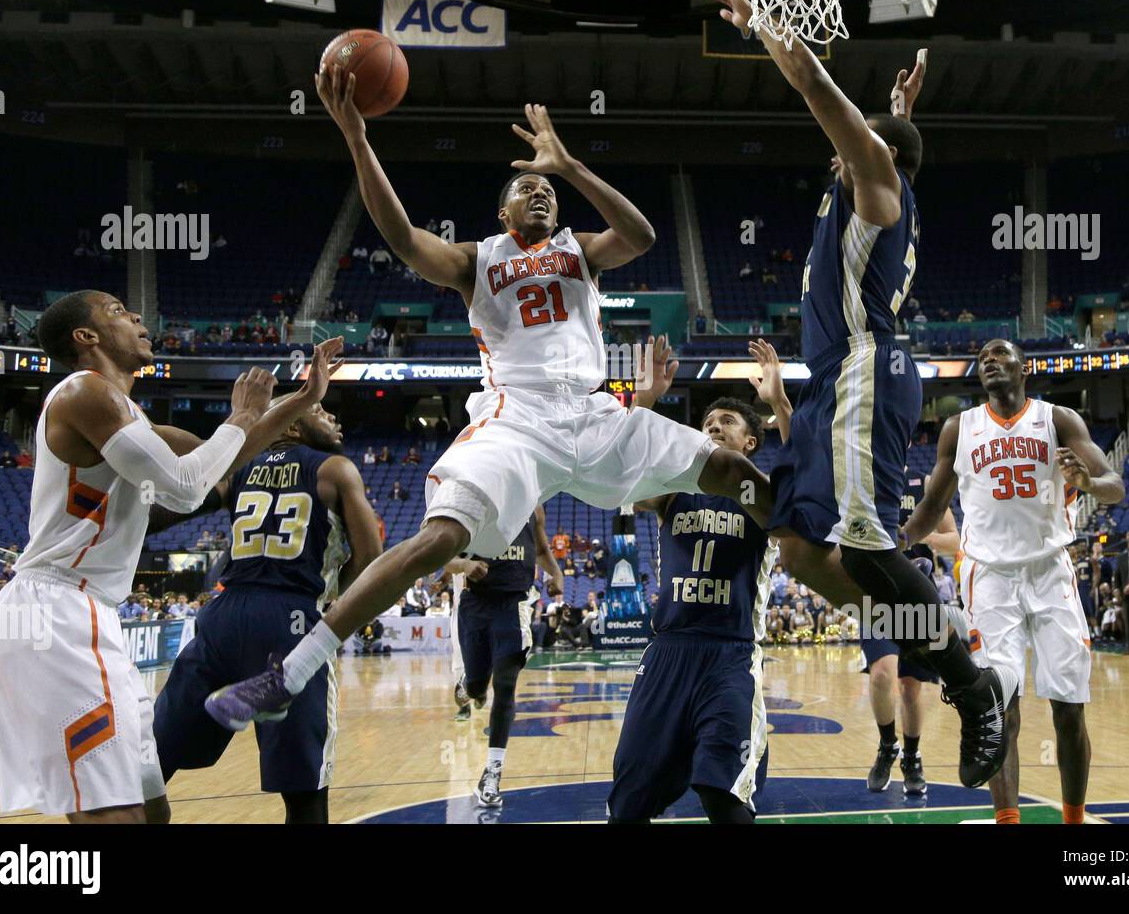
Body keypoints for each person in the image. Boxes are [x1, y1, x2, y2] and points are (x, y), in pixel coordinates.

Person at [206, 73, 773, 734]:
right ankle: (292, 670)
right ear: (503, 212)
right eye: (529, 188)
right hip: (517, 416)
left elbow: (642, 235)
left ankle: (814, 546)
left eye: (549, 192)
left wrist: (569, 165)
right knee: (438, 538)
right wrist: (359, 139)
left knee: (737, 473)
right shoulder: (478, 258)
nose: (541, 194)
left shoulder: (580, 251)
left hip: (594, 411)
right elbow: (402, 236)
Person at [704, 0, 1008, 788]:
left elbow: (814, 87)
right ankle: (924, 639)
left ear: (877, 153)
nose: (836, 148)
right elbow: (874, 139)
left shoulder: (877, 183)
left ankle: (973, 690)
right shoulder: (868, 184)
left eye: (859, 141)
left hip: (868, 371)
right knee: (802, 546)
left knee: (872, 547)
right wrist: (896, 112)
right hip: (834, 381)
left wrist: (765, 21)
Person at [0, 289, 336, 824]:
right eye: (119, 312)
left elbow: (226, 461)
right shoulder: (84, 394)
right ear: (86, 337)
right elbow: (188, 489)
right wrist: (241, 413)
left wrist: (304, 398)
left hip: (91, 617)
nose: (139, 317)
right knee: (115, 818)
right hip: (54, 615)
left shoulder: (130, 420)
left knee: (152, 808)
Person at [903, 338, 1124, 826]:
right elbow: (933, 509)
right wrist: (897, 540)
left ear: (1024, 369)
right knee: (1000, 707)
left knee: (1069, 708)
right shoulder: (959, 428)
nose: (989, 362)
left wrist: (1086, 483)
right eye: (983, 359)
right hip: (991, 578)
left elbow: (1116, 483)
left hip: (1050, 571)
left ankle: (1074, 819)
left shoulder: (1058, 418)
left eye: (1000, 355)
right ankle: (1009, 821)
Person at [153, 396, 380, 824]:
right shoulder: (335, 469)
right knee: (302, 791)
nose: (332, 416)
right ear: (290, 426)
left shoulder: (238, 470)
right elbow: (370, 556)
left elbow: (182, 504)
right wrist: (332, 597)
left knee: (151, 764)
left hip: (223, 617)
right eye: (319, 410)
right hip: (291, 622)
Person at [610, 338, 782, 823]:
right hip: (668, 650)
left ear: (750, 442)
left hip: (730, 655)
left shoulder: (763, 498)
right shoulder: (673, 492)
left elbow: (808, 486)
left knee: (722, 795)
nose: (713, 428)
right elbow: (620, 471)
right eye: (707, 424)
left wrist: (779, 404)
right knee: (627, 803)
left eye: (726, 422)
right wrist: (642, 403)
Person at [442, 505, 561, 800]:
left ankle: (492, 772)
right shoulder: (475, 501)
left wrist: (557, 574)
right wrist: (464, 566)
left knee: (505, 686)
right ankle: (469, 686)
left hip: (515, 605)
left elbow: (543, 549)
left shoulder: (533, 506)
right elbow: (443, 556)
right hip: (475, 604)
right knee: (477, 686)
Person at [864, 462, 960, 797]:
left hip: (917, 593)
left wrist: (918, 533)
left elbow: (954, 540)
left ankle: (911, 755)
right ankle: (887, 744)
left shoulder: (926, 483)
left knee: (910, 688)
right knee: (881, 674)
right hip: (874, 592)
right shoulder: (863, 474)